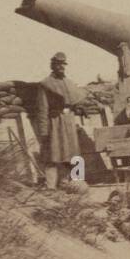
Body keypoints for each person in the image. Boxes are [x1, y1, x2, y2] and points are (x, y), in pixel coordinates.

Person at [33, 52, 85, 189]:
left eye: (63, 64)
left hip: (69, 121)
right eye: (58, 64)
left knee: (71, 154)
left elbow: (74, 99)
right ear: (53, 66)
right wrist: (44, 131)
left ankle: (67, 183)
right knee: (53, 154)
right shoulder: (46, 84)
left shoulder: (68, 82)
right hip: (55, 123)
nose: (61, 67)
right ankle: (50, 186)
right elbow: (42, 109)